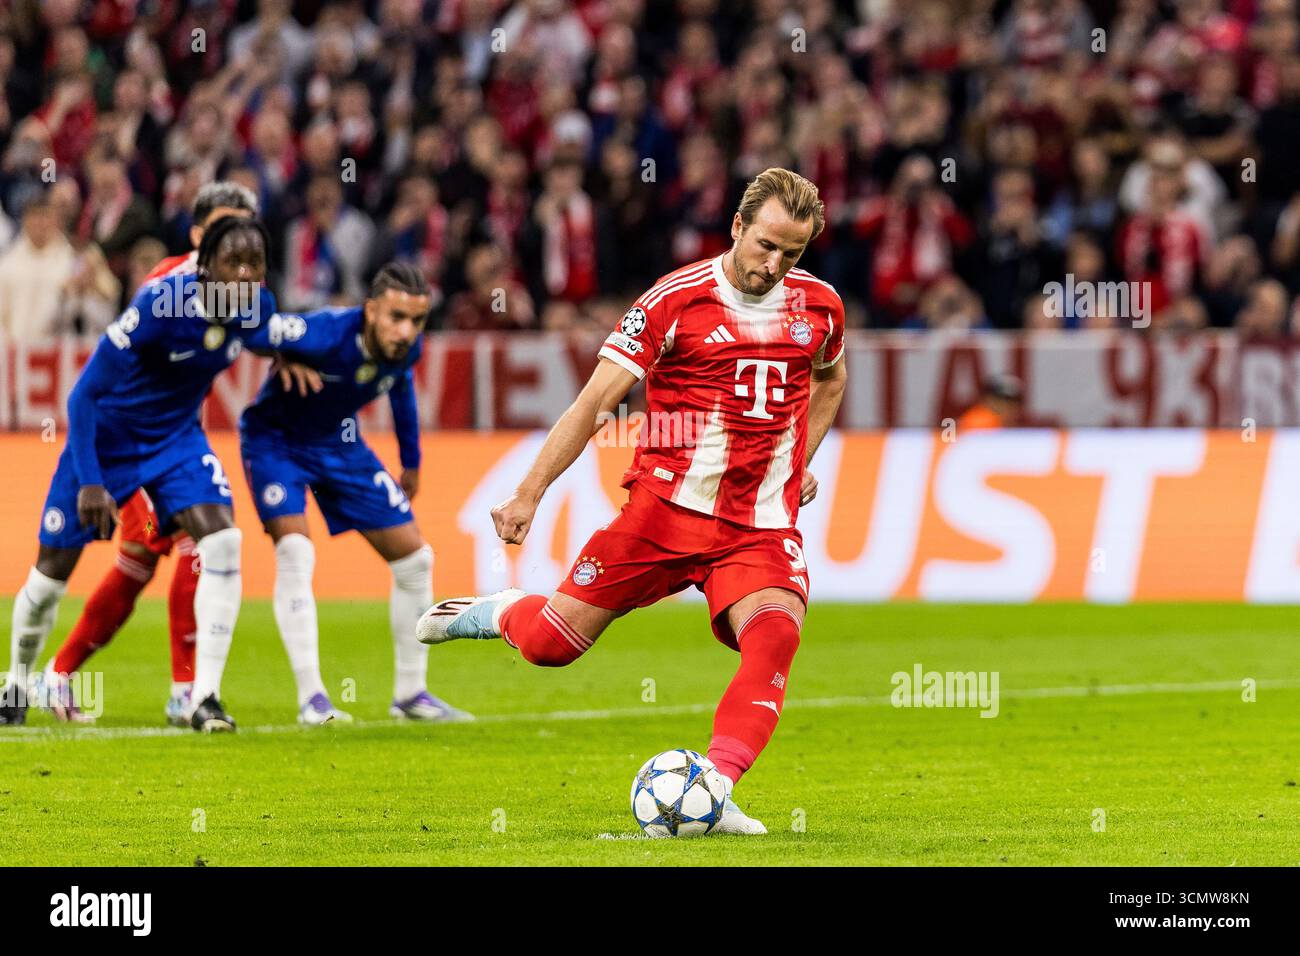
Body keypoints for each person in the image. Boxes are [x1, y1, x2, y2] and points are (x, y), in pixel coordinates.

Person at [416, 168, 847, 835]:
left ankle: (714, 788)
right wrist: (529, 493)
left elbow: (830, 378)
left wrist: (799, 459)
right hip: (662, 515)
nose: (773, 265)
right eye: (765, 245)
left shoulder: (820, 307)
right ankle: (499, 611)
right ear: (737, 226)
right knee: (551, 646)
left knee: (776, 633)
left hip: (759, 524)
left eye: (791, 253)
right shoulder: (673, 302)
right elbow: (593, 404)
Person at [1, 216, 310, 732]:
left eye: (255, 262)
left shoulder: (257, 306)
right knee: (51, 575)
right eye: (234, 261)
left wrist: (294, 354)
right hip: (110, 437)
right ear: (204, 264)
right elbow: (83, 395)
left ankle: (201, 697)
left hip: (175, 443)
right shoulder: (159, 304)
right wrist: (94, 483)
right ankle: (16, 679)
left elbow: (282, 332)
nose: (246, 274)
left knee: (222, 540)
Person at [38, 182, 261, 726]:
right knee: (173, 549)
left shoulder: (242, 288)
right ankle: (182, 690)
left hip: (175, 442)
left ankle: (62, 676)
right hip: (128, 442)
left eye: (247, 229)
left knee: (160, 555)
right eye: (225, 227)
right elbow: (107, 375)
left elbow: (259, 331)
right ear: (199, 234)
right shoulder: (169, 284)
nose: (239, 241)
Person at [239, 262, 468, 724]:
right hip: (276, 443)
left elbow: (401, 390)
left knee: (415, 560)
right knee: (297, 553)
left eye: (417, 320)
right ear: (369, 311)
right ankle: (313, 699)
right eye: (396, 317)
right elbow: (254, 331)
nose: (407, 331)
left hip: (340, 447)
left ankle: (410, 694)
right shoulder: (323, 332)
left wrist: (411, 461)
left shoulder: (406, 349)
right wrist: (284, 353)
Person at [956, 374, 1025, 430]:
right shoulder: (980, 423)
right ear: (986, 400)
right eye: (1000, 400)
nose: (1007, 406)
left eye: (1013, 401)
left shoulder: (1004, 425)